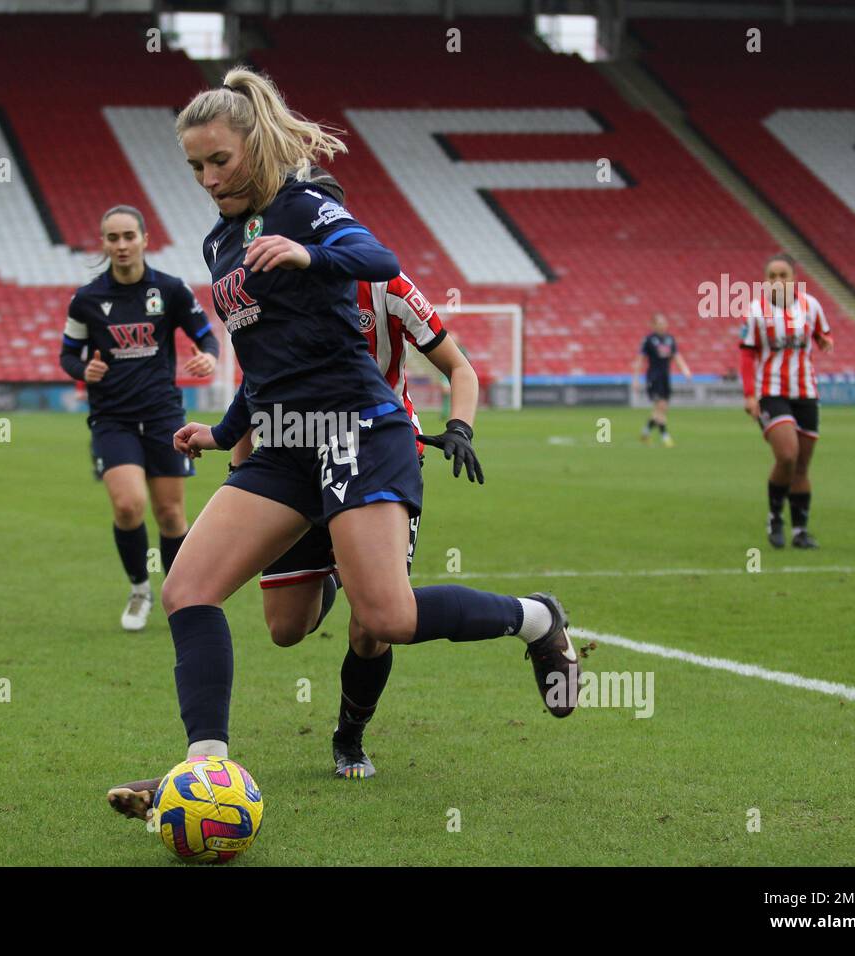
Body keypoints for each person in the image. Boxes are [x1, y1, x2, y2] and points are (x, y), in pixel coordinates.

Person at [107, 68, 579, 821]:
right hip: (285, 443)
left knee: (383, 619)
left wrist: (308, 255)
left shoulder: (306, 204)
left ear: (254, 145)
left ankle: (536, 618)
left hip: (360, 427)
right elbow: (265, 363)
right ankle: (204, 771)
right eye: (194, 166)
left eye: (218, 161)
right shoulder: (221, 240)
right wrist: (224, 433)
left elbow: (378, 258)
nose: (206, 178)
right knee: (187, 590)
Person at [198, 169, 482, 779]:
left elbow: (460, 366)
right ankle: (335, 571)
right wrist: (228, 441)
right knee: (284, 630)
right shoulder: (274, 278)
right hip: (295, 451)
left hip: (370, 447)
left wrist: (459, 427)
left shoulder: (387, 285)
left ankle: (350, 737)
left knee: (374, 625)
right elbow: (261, 375)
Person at [61, 205, 220, 631]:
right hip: (113, 419)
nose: (122, 245)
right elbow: (67, 354)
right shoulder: (87, 299)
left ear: (145, 239)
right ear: (104, 244)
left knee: (170, 515)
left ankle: (177, 594)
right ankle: (138, 589)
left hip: (163, 415)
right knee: (129, 505)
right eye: (113, 238)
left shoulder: (170, 290)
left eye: (129, 236)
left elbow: (204, 333)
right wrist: (83, 370)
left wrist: (208, 356)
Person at [739, 253, 833, 549]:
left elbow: (823, 334)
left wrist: (825, 341)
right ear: (765, 282)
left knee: (802, 466)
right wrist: (749, 395)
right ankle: (774, 518)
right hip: (772, 392)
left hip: (806, 392)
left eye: (784, 275)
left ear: (794, 279)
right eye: (772, 276)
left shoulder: (811, 306)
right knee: (788, 455)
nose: (778, 281)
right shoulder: (756, 311)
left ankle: (800, 532)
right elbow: (746, 354)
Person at [635, 313, 692, 447]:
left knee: (661, 409)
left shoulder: (670, 339)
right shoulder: (648, 340)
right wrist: (636, 378)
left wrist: (685, 370)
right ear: (653, 325)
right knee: (660, 407)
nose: (662, 326)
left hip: (666, 377)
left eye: (664, 323)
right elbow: (640, 360)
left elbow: (676, 356)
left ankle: (645, 432)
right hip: (654, 377)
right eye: (659, 324)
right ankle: (665, 436)